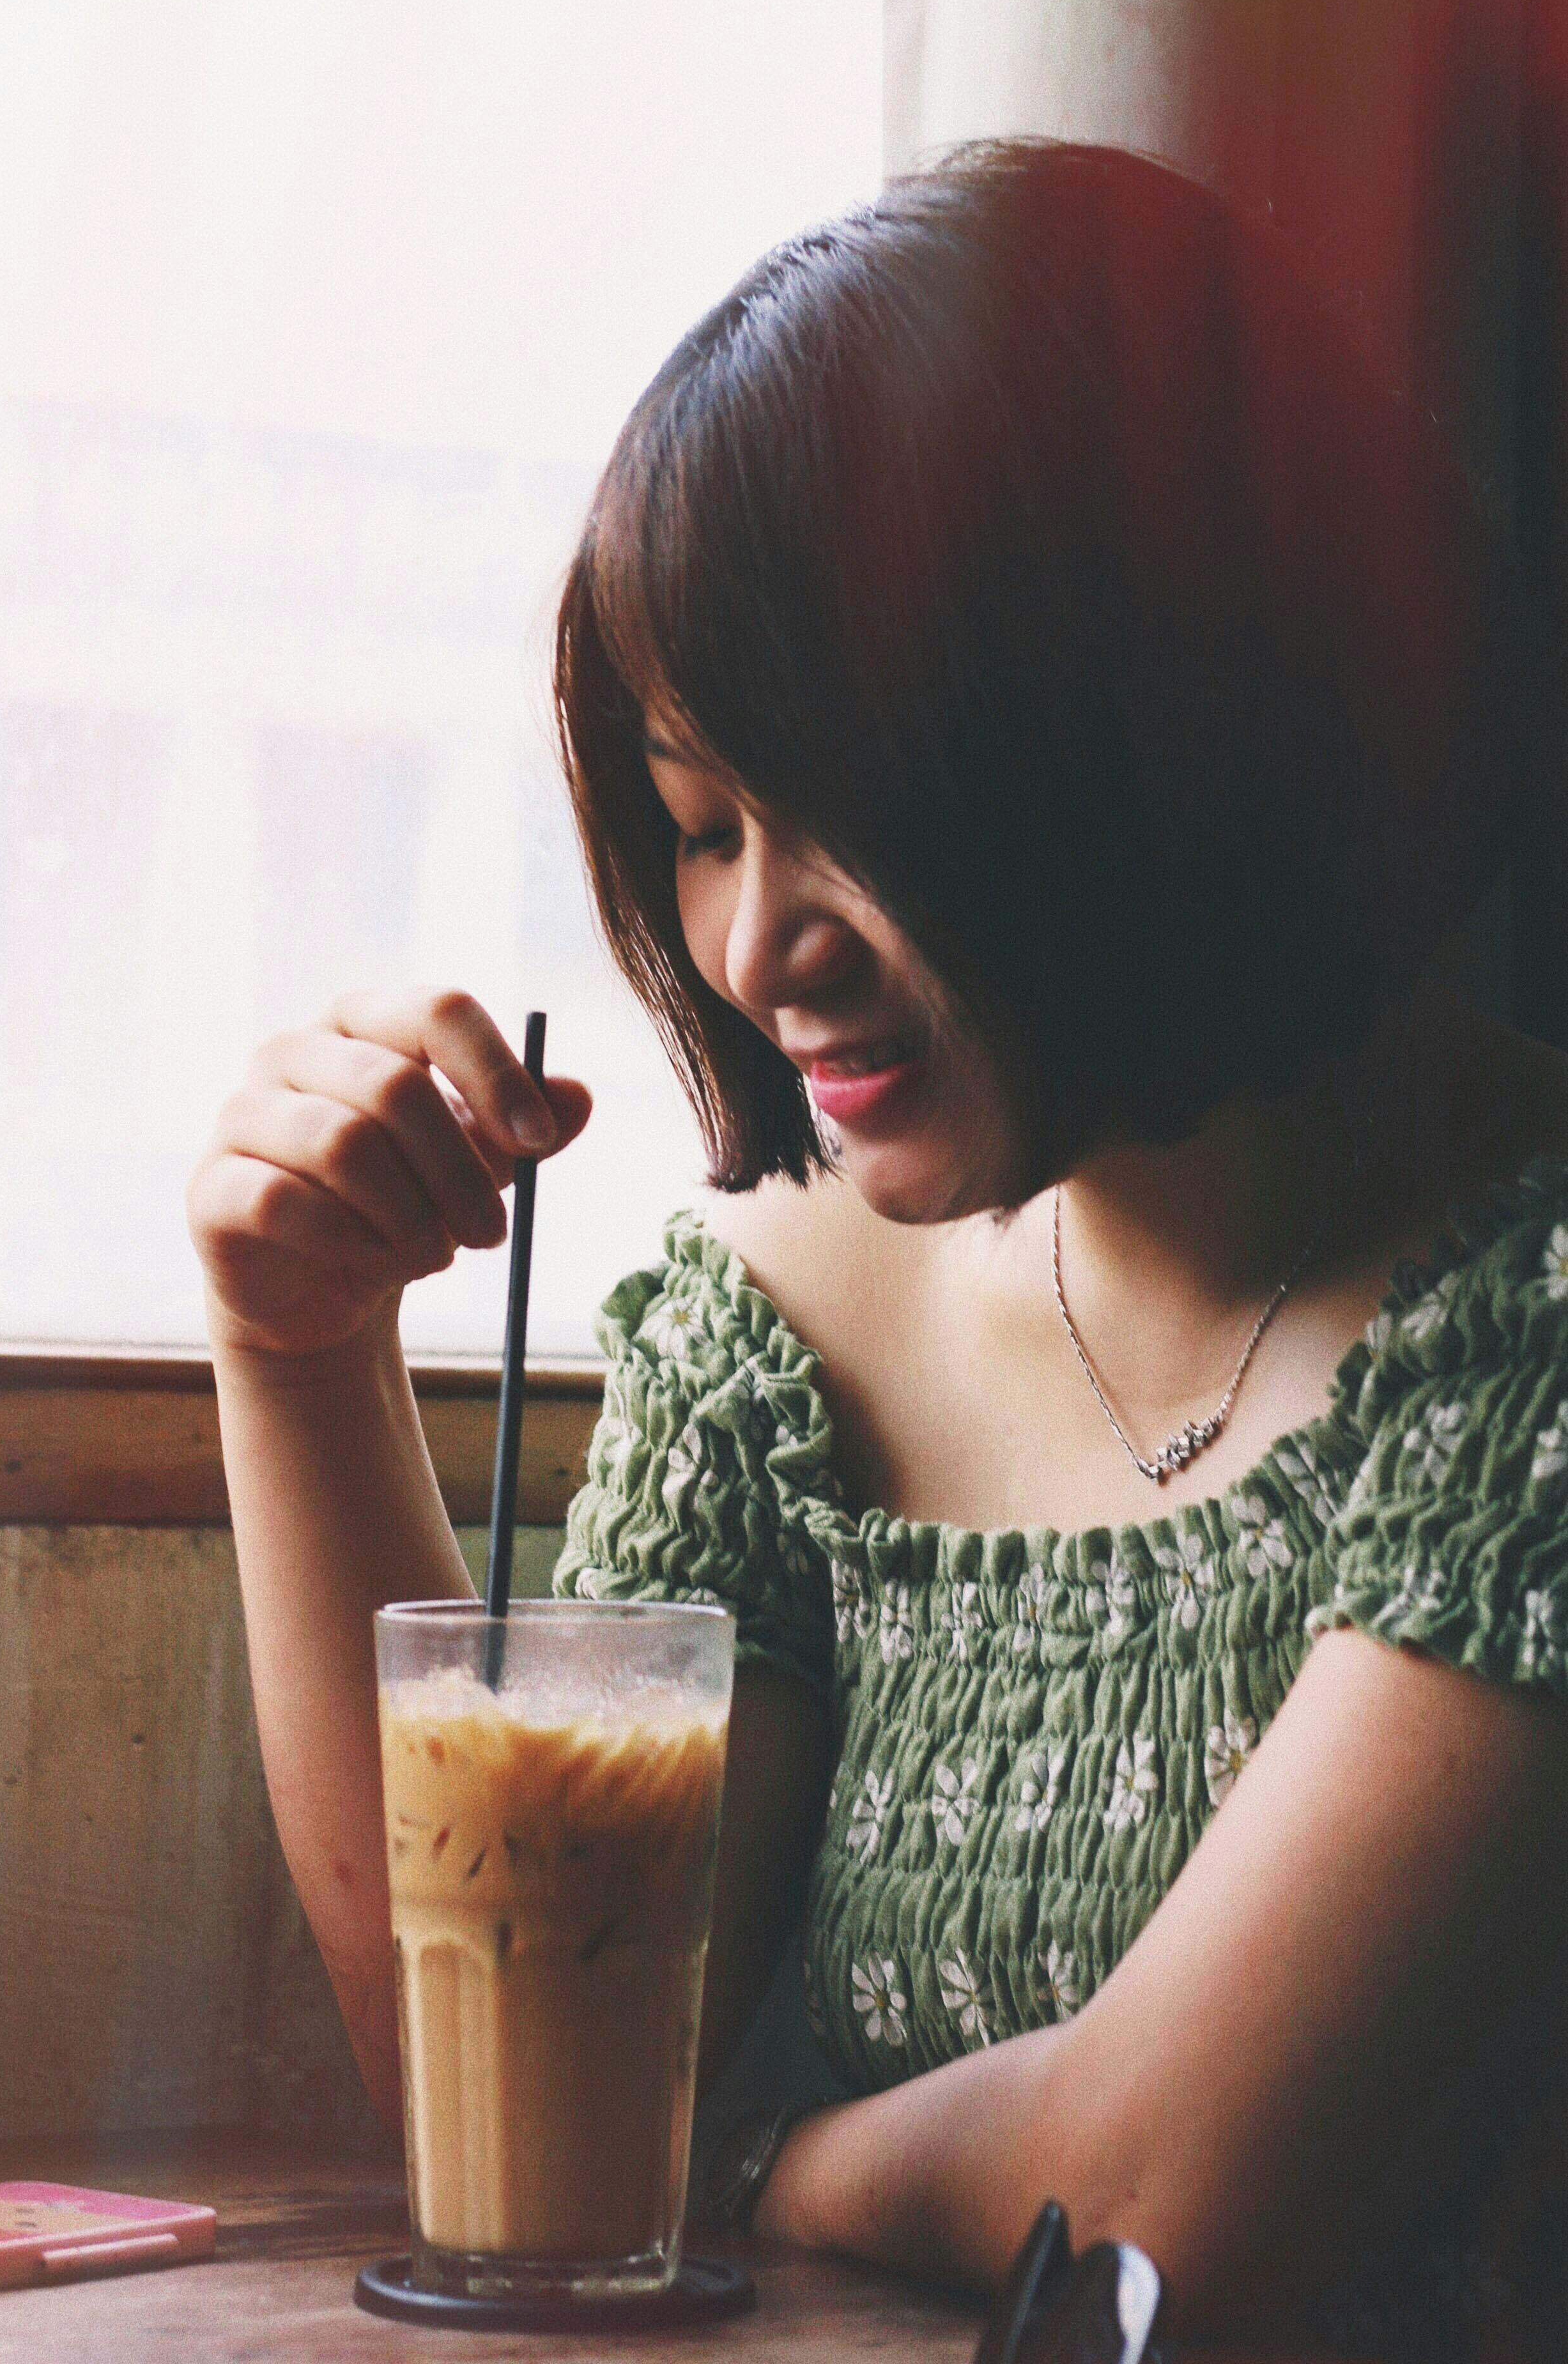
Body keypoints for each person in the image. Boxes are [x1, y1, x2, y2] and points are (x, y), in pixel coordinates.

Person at [188, 141, 1568, 2356]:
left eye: (850, 809)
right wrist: (297, 1350)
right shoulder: (777, 1338)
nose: (753, 944)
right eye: (702, 822)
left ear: (1158, 734)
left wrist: (751, 2155)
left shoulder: (1532, 1326)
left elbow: (1150, 2217)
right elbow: (507, 2108)